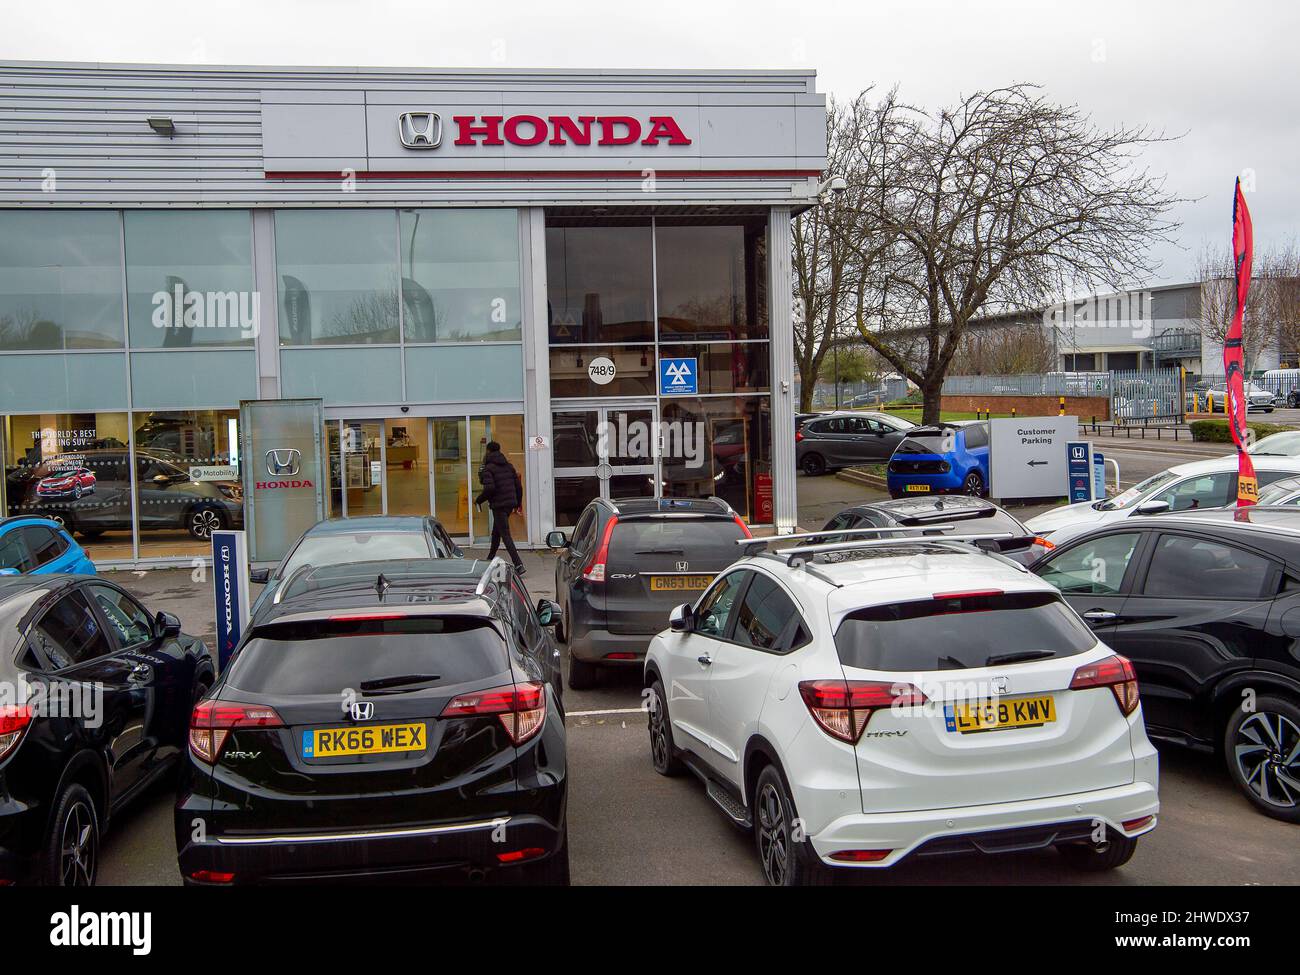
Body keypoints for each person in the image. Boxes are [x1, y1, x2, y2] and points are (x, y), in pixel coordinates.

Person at [475, 441, 525, 574]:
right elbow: (519, 487)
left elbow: (489, 488)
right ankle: (490, 559)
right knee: (496, 533)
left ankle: (519, 564)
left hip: (499, 505)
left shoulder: (488, 468)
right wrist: (517, 503)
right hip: (509, 504)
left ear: (488, 451)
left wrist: (479, 500)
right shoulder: (508, 466)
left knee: (505, 534)